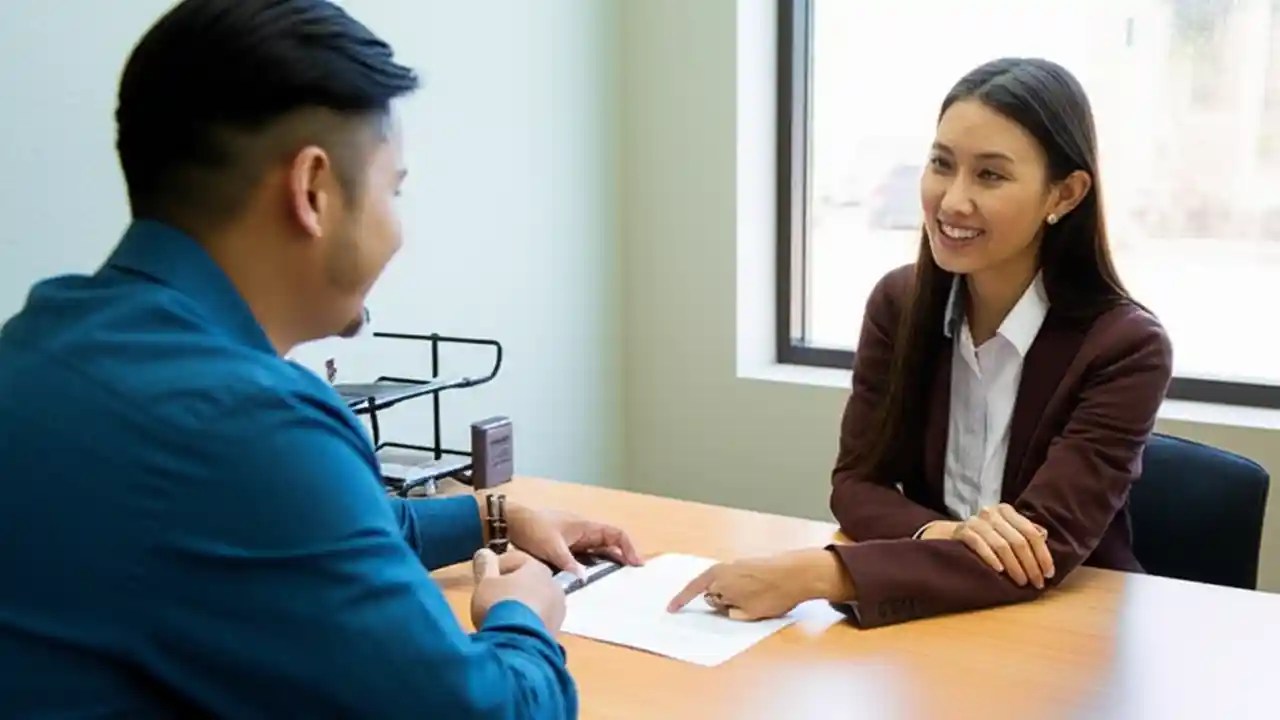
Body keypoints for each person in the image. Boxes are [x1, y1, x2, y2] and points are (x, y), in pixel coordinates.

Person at [0, 1, 641, 717]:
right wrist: (523, 614)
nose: (399, 231)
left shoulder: (41, 344)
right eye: (393, 190)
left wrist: (498, 517)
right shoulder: (247, 417)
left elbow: (310, 529)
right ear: (313, 191)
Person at [669, 57, 1173, 628]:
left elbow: (1042, 552)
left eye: (990, 175)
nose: (952, 201)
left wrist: (819, 574)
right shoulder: (900, 305)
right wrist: (944, 534)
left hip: (1066, 624)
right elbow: (856, 485)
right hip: (932, 611)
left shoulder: (1126, 347)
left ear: (1064, 194)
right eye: (941, 164)